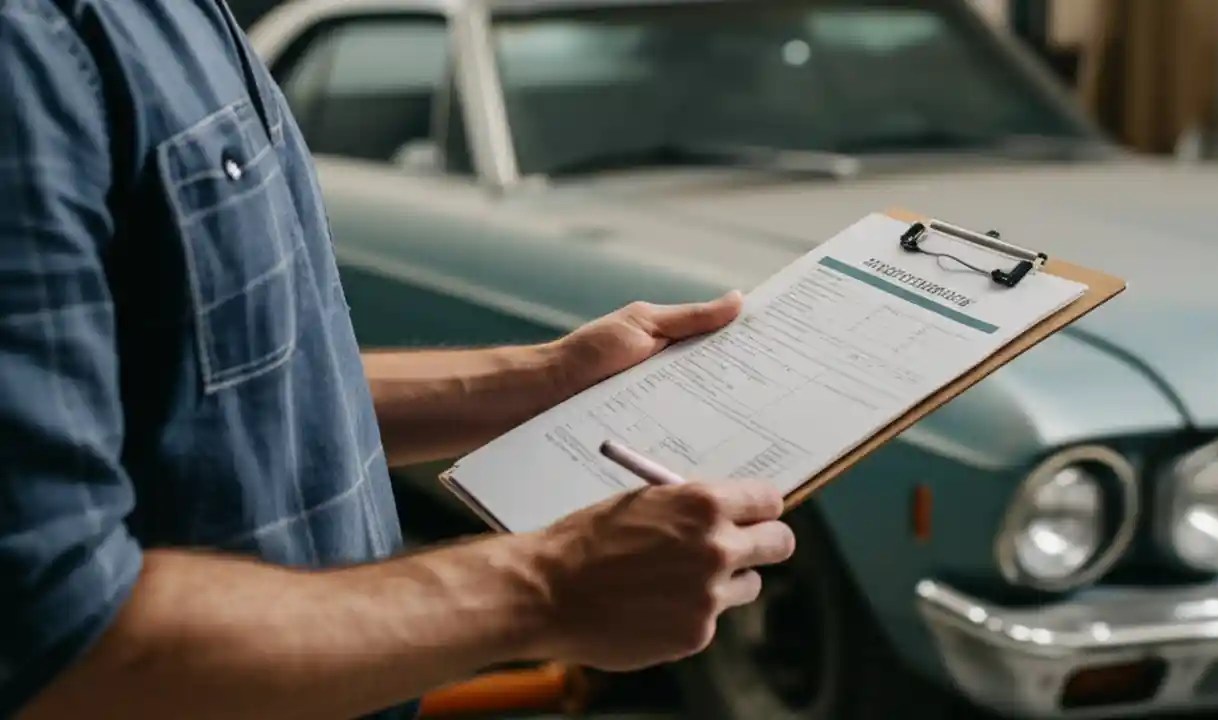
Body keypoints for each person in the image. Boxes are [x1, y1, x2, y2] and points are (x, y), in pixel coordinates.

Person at [0, 1, 796, 718]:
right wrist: (546, 584)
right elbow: (56, 638)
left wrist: (546, 380)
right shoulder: (29, 45)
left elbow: (228, 383)